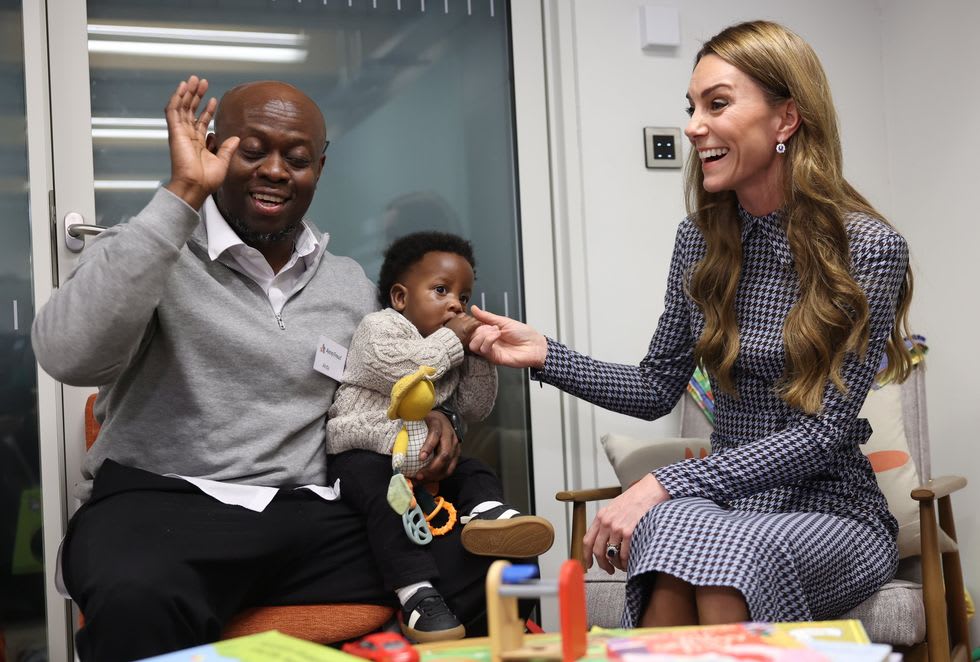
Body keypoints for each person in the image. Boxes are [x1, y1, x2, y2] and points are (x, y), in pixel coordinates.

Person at [31, 76, 504, 661]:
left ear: (319, 169)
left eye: (297, 159)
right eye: (252, 151)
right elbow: (66, 355)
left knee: (485, 564)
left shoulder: (349, 285)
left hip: (313, 511)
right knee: (135, 596)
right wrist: (182, 194)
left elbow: (383, 383)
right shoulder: (149, 249)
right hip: (166, 505)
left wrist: (438, 416)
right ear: (214, 149)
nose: (275, 170)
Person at [467, 20, 914, 627]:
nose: (693, 126)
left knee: (717, 544)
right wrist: (547, 354)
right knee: (669, 532)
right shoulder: (700, 242)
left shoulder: (869, 248)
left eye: (717, 104)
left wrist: (666, 481)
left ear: (786, 119)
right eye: (692, 107)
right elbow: (657, 386)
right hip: (726, 502)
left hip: (832, 512)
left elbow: (822, 433)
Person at [326, 230, 554, 642]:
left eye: (463, 297)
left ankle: (488, 516)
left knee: (475, 469)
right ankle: (416, 594)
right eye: (441, 290)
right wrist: (455, 340)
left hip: (419, 452)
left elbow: (475, 407)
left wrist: (479, 356)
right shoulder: (380, 328)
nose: (456, 305)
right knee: (385, 497)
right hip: (364, 450)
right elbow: (406, 373)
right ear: (400, 298)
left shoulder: (449, 347)